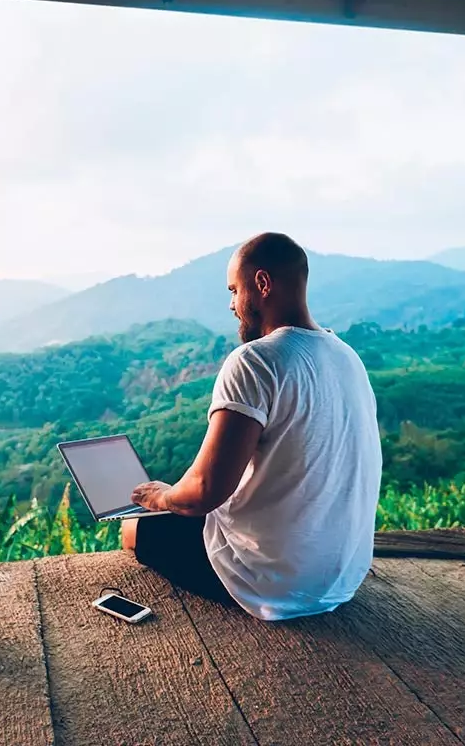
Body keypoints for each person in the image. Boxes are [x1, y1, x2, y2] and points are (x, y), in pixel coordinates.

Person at [121, 232, 382, 621]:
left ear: (261, 284)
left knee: (132, 529)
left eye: (233, 290)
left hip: (274, 583)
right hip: (342, 577)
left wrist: (162, 497)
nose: (231, 304)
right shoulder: (347, 357)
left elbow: (206, 491)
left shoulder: (255, 361)